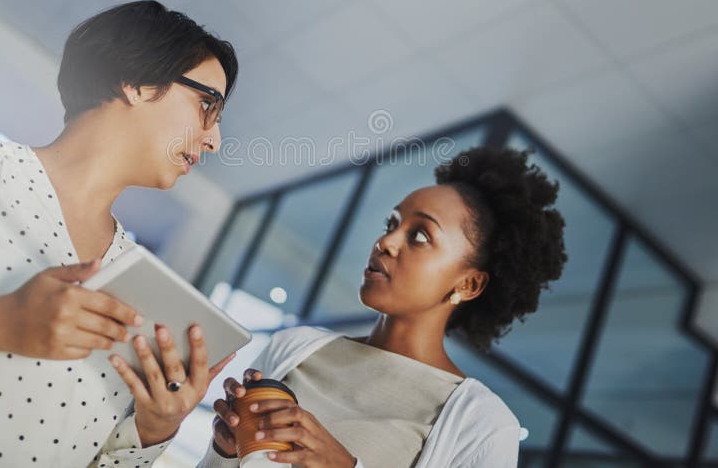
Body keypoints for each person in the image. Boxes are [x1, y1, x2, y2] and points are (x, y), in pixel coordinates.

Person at [0, 0, 239, 467]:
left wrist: (154, 430)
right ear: (136, 82)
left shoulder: (137, 280)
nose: (215, 140)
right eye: (208, 105)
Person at [198, 147, 567, 468]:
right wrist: (224, 452)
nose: (385, 241)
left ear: (468, 284)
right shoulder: (292, 347)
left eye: (420, 236)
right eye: (391, 223)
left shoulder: (482, 423)